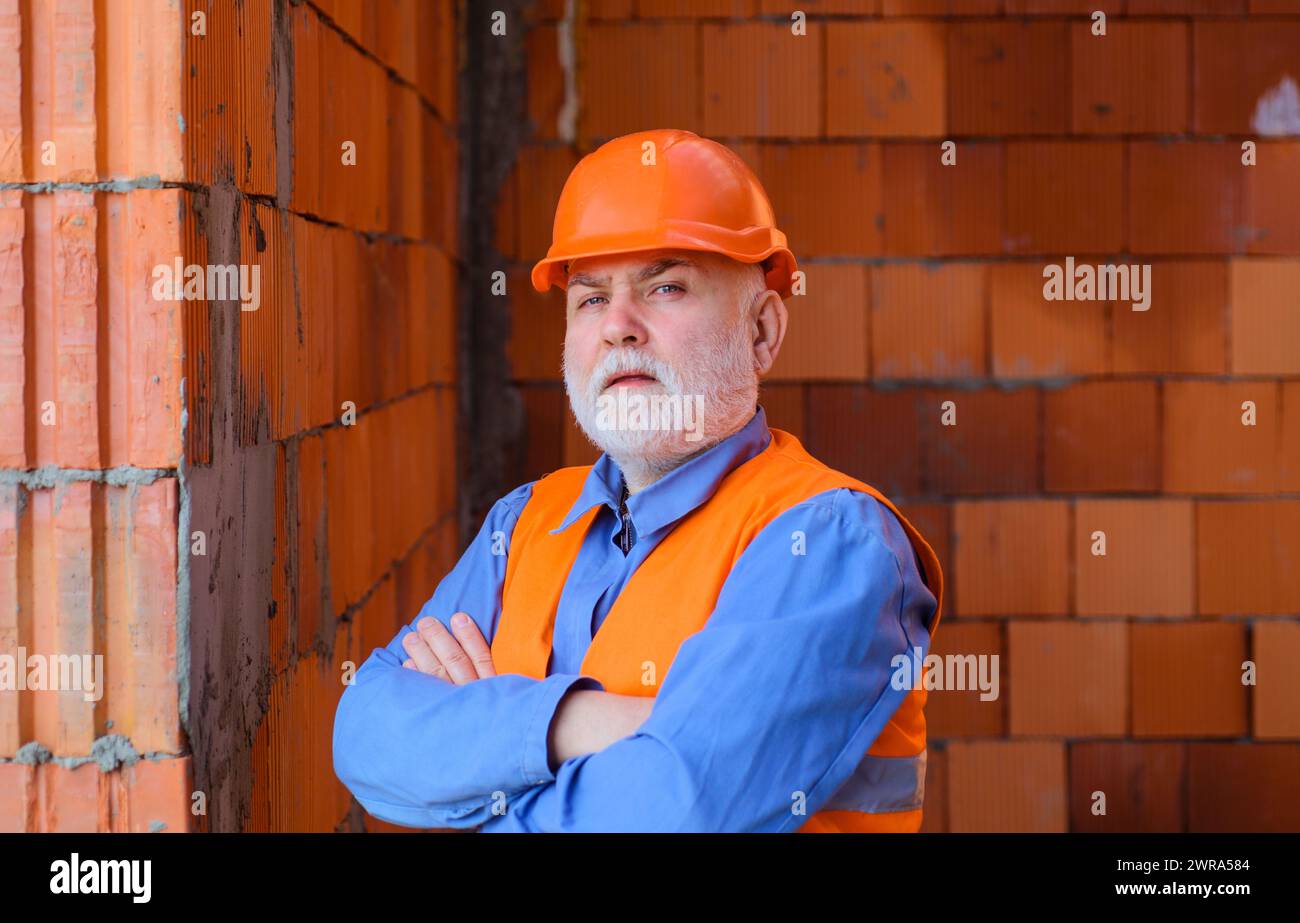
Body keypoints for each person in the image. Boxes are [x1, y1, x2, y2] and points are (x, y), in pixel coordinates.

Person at [333, 128, 944, 832]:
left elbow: (675, 811)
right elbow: (366, 731)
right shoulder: (526, 521)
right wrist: (576, 719)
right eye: (591, 299)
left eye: (666, 286)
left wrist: (473, 753)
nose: (620, 326)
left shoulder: (831, 542)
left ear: (762, 332)